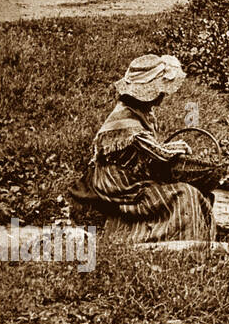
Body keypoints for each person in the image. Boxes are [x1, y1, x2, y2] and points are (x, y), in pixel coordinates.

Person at [70, 54, 215, 243]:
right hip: (120, 185)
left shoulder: (141, 112)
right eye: (160, 92)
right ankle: (173, 235)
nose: (162, 96)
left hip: (128, 174)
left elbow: (150, 148)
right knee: (185, 194)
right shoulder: (126, 121)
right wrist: (179, 149)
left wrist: (172, 149)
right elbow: (157, 153)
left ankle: (194, 234)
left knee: (194, 193)